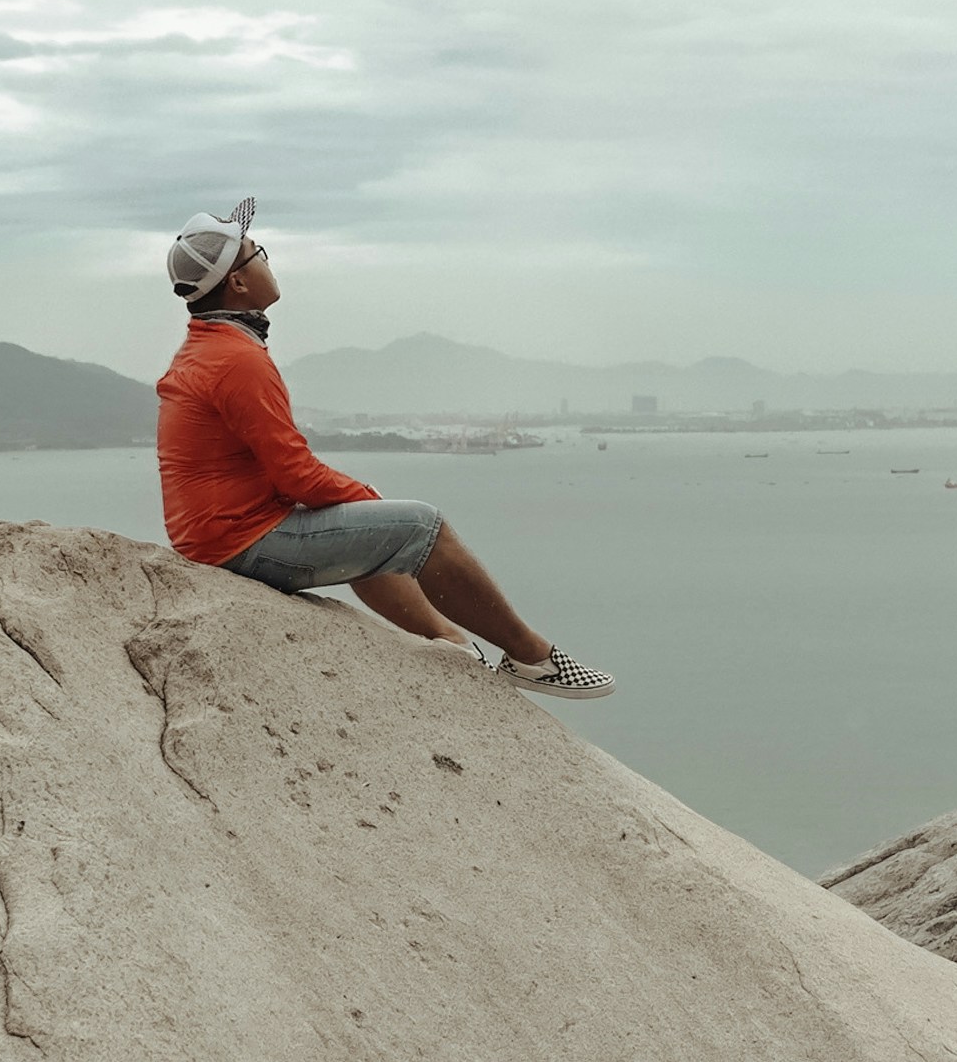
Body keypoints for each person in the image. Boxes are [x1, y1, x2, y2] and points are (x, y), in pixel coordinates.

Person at [153, 199, 616, 699]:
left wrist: (358, 504)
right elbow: (296, 476)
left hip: (217, 535)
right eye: (256, 252)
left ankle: (454, 644)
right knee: (419, 524)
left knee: (371, 528)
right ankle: (533, 658)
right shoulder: (236, 359)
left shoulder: (211, 347)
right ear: (238, 283)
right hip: (239, 543)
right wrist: (366, 495)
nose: (268, 260)